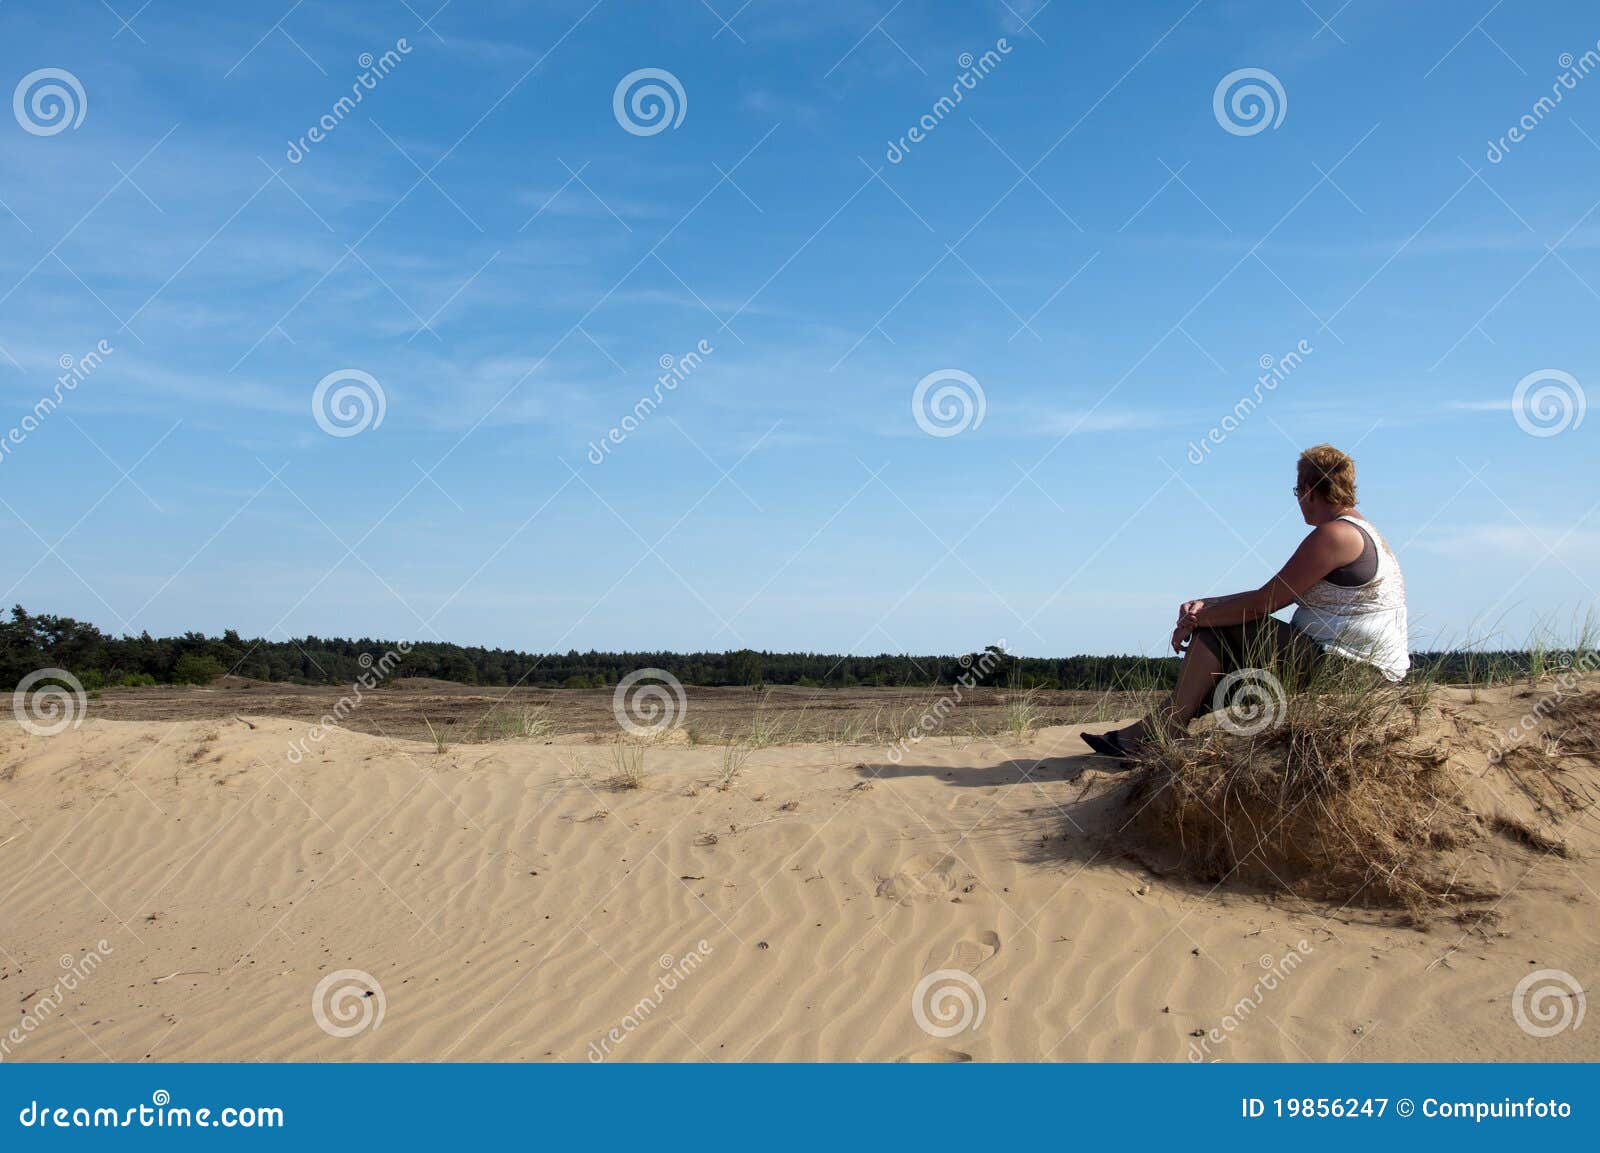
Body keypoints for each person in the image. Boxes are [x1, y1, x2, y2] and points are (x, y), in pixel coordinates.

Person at [1082, 443, 1409, 761]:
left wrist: (1200, 620)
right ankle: (1146, 732)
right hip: (1357, 667)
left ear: (1308, 489)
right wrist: (1205, 605)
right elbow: (1273, 594)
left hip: (1352, 671)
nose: (1298, 501)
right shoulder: (1360, 531)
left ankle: (1163, 731)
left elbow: (1262, 604)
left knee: (1219, 634)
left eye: (1297, 493)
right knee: (1221, 641)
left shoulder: (1335, 536)